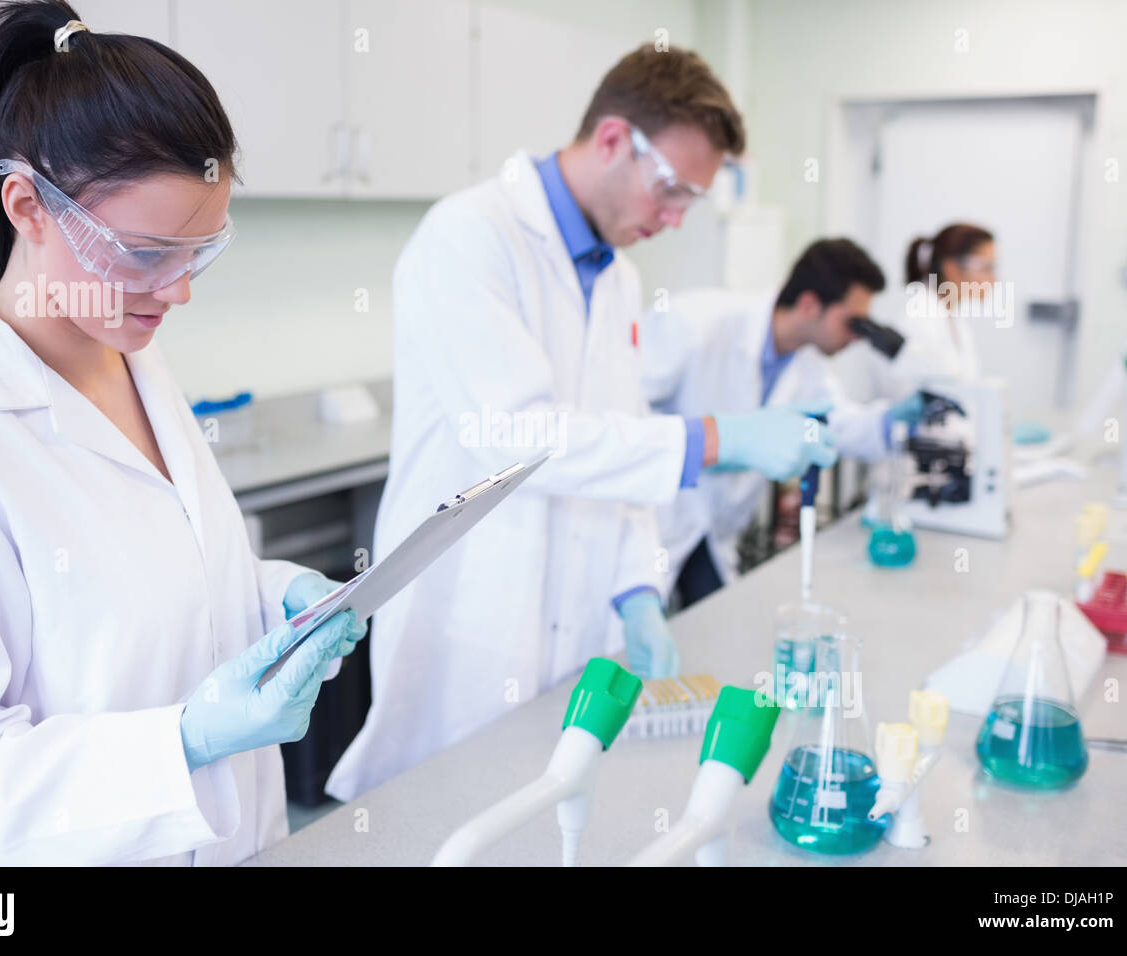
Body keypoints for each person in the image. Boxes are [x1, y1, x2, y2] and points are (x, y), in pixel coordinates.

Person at [0, 0, 364, 865]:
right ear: (26, 205)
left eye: (200, 253)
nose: (179, 291)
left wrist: (266, 593)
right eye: (146, 253)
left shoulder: (130, 359)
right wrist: (184, 744)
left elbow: (146, 588)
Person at [327, 45, 835, 801]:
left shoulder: (618, 274)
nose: (673, 217)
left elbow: (615, 435)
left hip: (574, 618)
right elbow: (520, 438)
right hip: (473, 613)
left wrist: (636, 587)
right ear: (610, 140)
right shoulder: (468, 238)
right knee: (445, 818)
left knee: (543, 815)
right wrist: (717, 439)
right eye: (671, 189)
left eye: (691, 199)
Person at [641, 239, 925, 606]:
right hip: (654, 522)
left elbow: (832, 423)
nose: (857, 337)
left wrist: (889, 421)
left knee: (711, 628)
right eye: (852, 322)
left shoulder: (806, 363)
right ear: (809, 305)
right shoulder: (694, 321)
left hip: (714, 531)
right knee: (624, 646)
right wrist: (704, 443)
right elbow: (623, 414)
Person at [872, 223, 997, 395]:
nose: (994, 279)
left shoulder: (952, 318)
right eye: (986, 268)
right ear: (951, 268)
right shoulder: (919, 320)